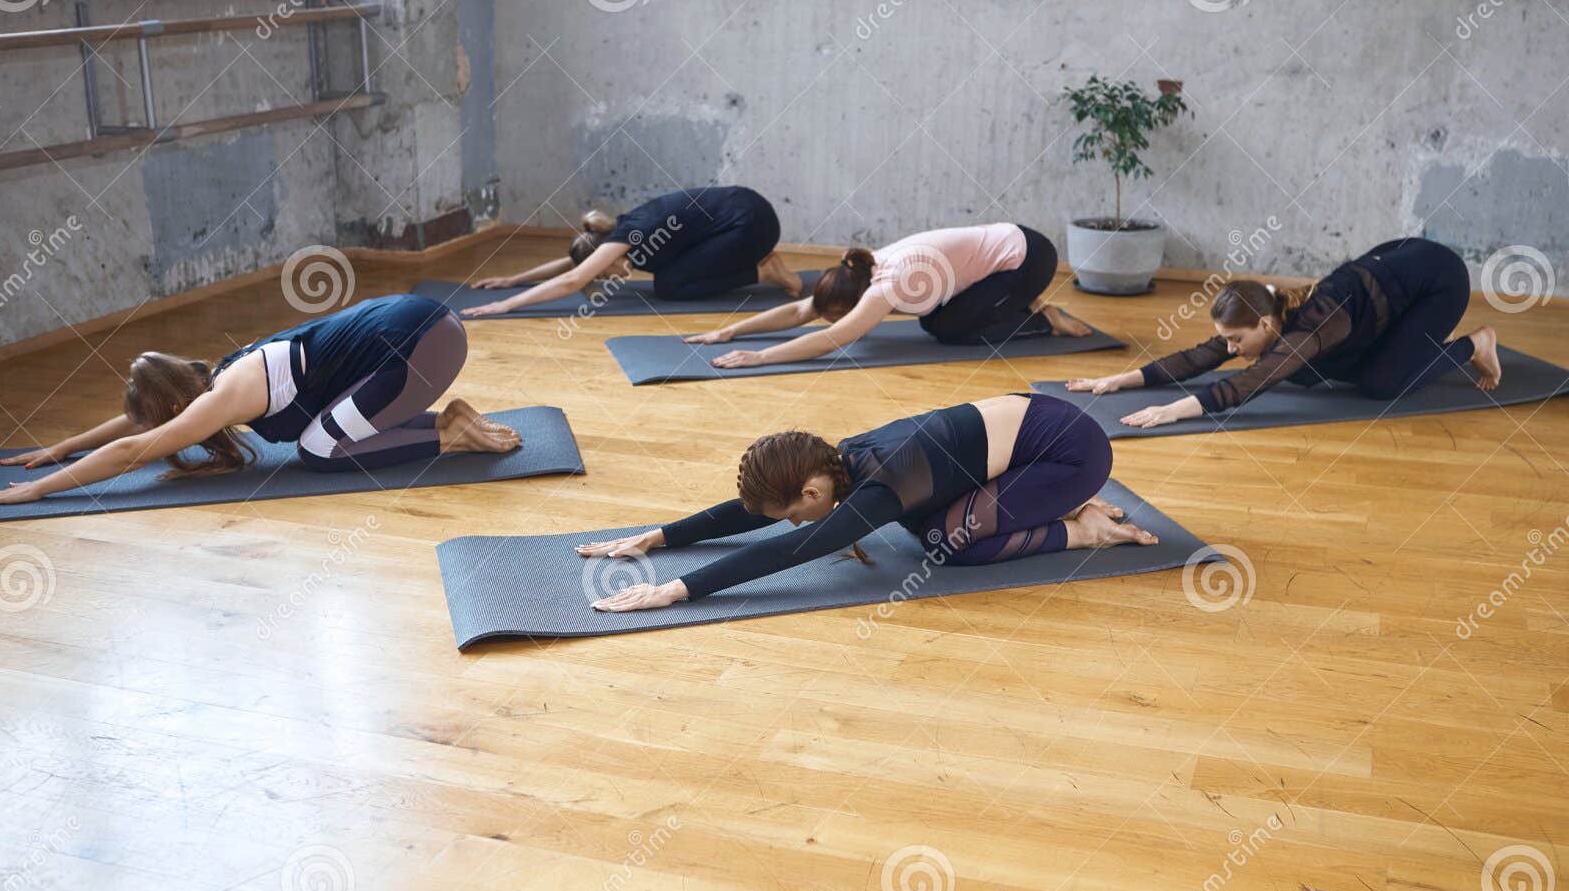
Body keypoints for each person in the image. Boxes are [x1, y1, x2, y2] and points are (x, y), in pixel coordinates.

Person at [575, 392, 1156, 611]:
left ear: (809, 491)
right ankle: (1052, 501)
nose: (799, 517)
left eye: (796, 509)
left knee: (943, 543)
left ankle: (1081, 528)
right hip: (1043, 428)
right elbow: (760, 512)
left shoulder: (879, 484)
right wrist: (664, 535)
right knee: (924, 523)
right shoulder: (836, 462)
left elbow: (799, 544)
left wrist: (677, 589)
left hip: (1072, 455)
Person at [0, 294, 520, 506]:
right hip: (425, 328)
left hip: (420, 349)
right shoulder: (215, 377)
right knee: (329, 431)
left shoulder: (222, 400)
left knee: (319, 450)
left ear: (177, 408)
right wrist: (62, 446)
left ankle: (448, 433)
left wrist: (41, 490)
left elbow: (132, 452)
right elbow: (135, 428)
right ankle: (451, 421)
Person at [1065, 237, 1502, 428]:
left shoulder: (1315, 325)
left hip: (1437, 281)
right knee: (1309, 369)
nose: (1231, 348)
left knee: (1381, 384)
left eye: (1236, 339)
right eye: (1228, 339)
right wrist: (1121, 380)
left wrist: (1173, 410)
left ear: (1266, 325)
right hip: (1392, 267)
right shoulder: (1263, 312)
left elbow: (1253, 381)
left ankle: (1474, 343)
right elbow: (1202, 356)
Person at [683, 223, 1090, 369]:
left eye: (837, 314)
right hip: (1004, 248)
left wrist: (761, 356)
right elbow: (798, 311)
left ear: (857, 299)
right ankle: (1019, 302)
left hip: (1029, 258)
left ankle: (1040, 317)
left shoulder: (887, 284)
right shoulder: (855, 271)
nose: (830, 319)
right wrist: (731, 332)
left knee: (949, 330)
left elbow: (832, 339)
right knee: (934, 320)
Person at [462, 186, 796, 315]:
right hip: (744, 210)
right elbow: (572, 265)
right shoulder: (616, 237)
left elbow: (573, 280)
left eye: (605, 272)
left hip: (753, 225)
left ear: (608, 254)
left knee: (669, 284)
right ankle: (760, 266)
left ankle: (764, 270)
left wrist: (506, 305)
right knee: (668, 275)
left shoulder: (632, 234)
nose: (610, 278)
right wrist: (513, 279)